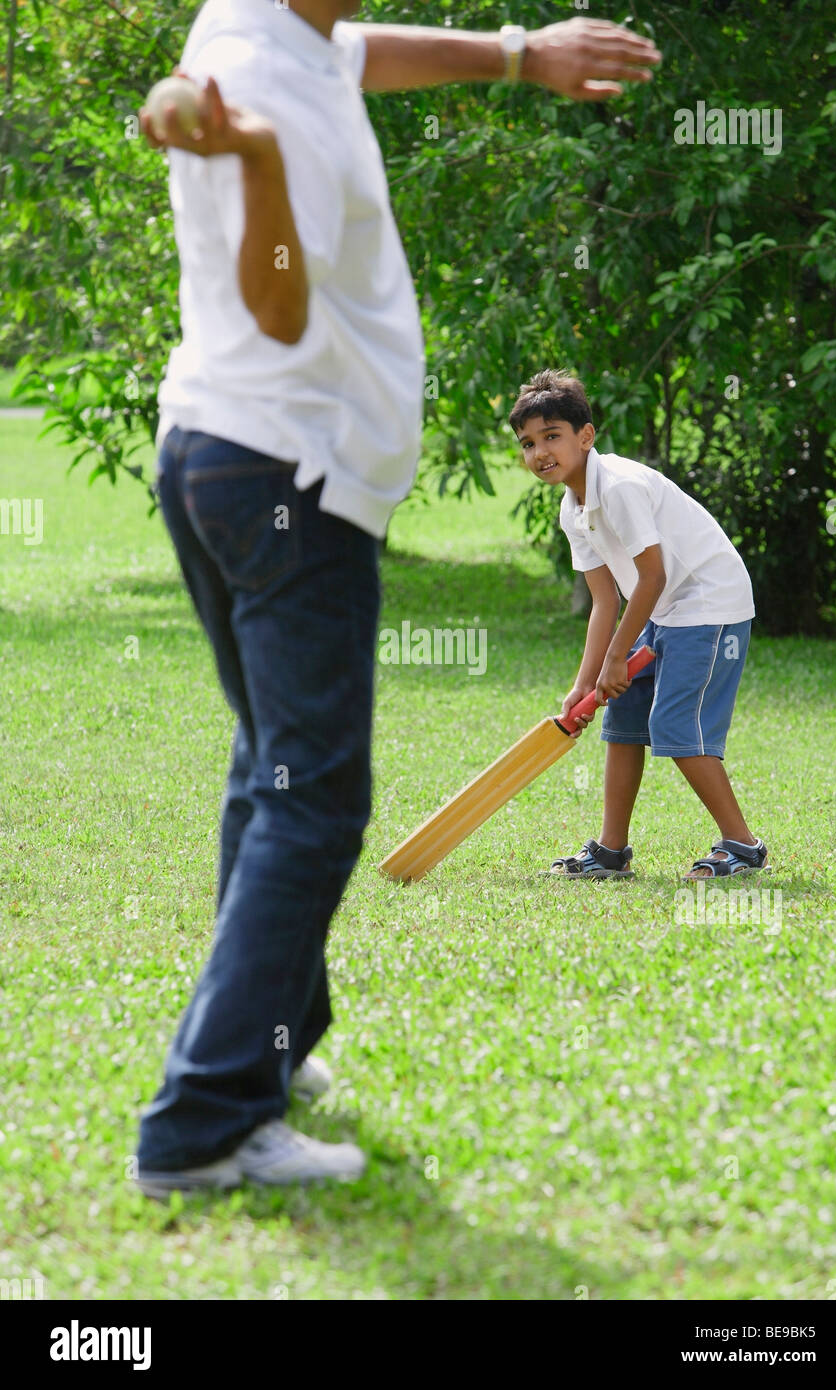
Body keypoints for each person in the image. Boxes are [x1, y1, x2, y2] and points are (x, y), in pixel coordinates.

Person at [135, 4, 661, 1197]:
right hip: (286, 477)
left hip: (221, 454)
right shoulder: (257, 84)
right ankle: (207, 1123)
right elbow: (275, 306)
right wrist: (260, 157)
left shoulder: (280, 29)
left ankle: (271, 1032)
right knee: (313, 796)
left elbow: (367, 49)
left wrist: (523, 56)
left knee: (270, 765)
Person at [509, 369, 768, 884]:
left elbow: (651, 577)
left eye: (552, 436)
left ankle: (743, 845)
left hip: (709, 604)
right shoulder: (572, 506)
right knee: (622, 720)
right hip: (665, 608)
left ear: (586, 436)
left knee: (673, 726)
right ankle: (611, 850)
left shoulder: (621, 487)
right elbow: (605, 599)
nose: (540, 453)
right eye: (528, 443)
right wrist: (584, 682)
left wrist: (614, 658)